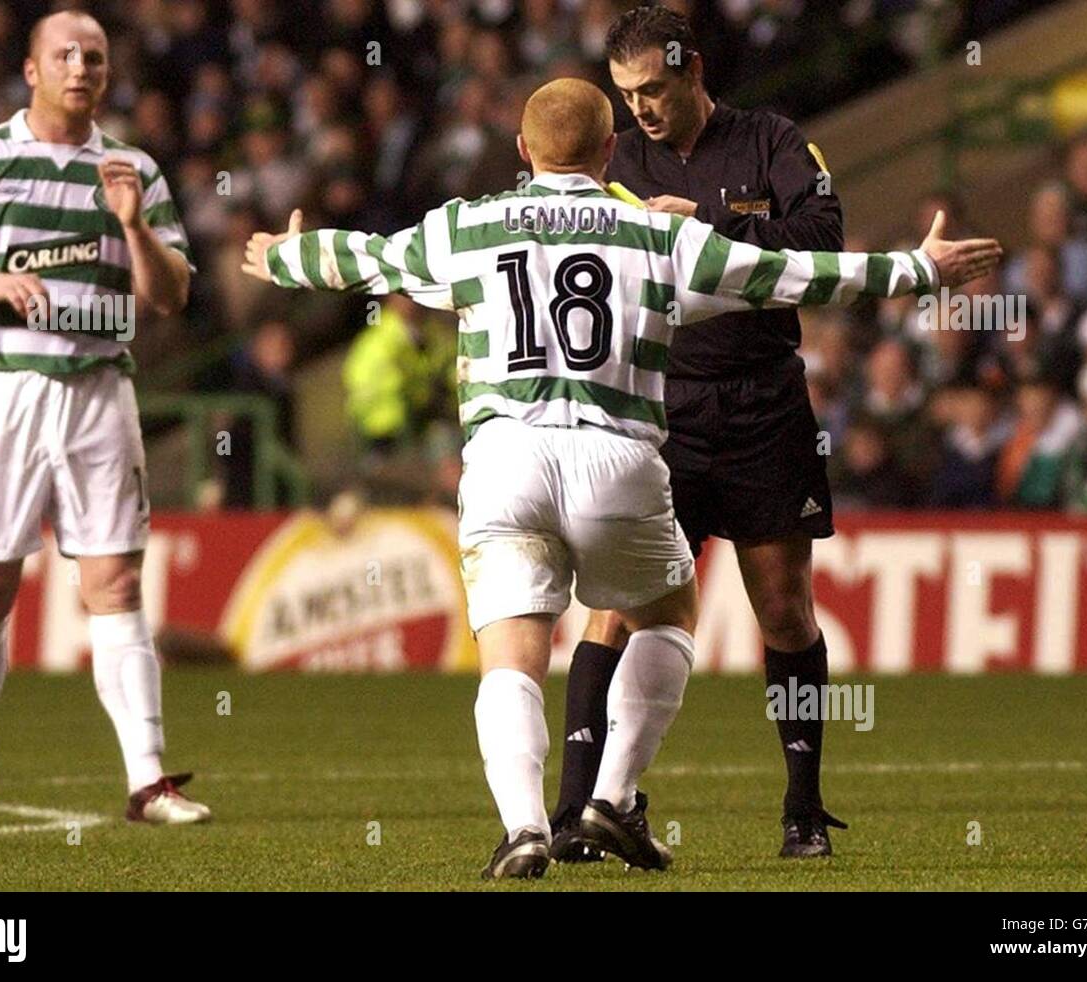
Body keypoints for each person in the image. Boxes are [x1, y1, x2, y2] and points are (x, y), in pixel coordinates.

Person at [241, 77, 1000, 879]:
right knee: (669, 610)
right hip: (620, 462)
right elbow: (796, 275)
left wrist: (286, 254)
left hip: (507, 461)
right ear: (610, 154)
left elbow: (367, 259)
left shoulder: (465, 228)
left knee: (513, 656)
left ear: (523, 151)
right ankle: (611, 795)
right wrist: (919, 269)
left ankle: (525, 827)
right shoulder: (652, 233)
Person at [552, 4, 851, 861]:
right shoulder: (613, 157)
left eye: (650, 88)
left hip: (763, 405)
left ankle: (802, 810)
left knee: (784, 609)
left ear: (689, 67)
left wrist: (715, 230)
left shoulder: (773, 141)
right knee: (614, 612)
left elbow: (826, 240)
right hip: (660, 410)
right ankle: (577, 813)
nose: (639, 108)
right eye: (624, 94)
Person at [0, 11, 210, 825]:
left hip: (98, 386)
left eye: (95, 58)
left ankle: (148, 780)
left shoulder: (132, 167)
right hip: (0, 391)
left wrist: (135, 228)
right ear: (31, 70)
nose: (81, 66)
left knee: (113, 582)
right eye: (64, 55)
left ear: (107, 76)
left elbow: (172, 296)